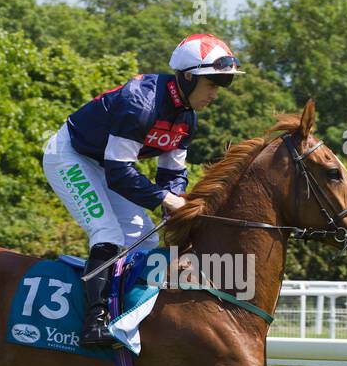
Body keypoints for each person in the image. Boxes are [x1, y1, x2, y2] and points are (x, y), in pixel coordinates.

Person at [42, 33, 242, 347]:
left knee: (145, 237)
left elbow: (172, 175)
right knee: (108, 234)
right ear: (188, 78)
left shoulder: (187, 119)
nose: (215, 94)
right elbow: (120, 172)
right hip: (71, 157)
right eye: (212, 84)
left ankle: (127, 314)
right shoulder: (141, 101)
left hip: (107, 166)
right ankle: (93, 325)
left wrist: (175, 206)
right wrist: (169, 200)